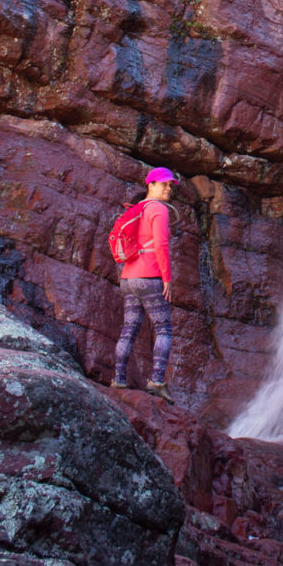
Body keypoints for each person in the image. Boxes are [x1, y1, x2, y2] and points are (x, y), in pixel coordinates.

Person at [111, 166, 178, 404]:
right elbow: (160, 245)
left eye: (170, 185)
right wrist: (167, 278)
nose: (168, 189)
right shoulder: (158, 209)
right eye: (163, 184)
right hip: (149, 277)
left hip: (128, 278)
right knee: (164, 329)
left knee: (129, 330)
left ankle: (118, 379)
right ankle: (157, 382)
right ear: (150, 185)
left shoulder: (137, 209)